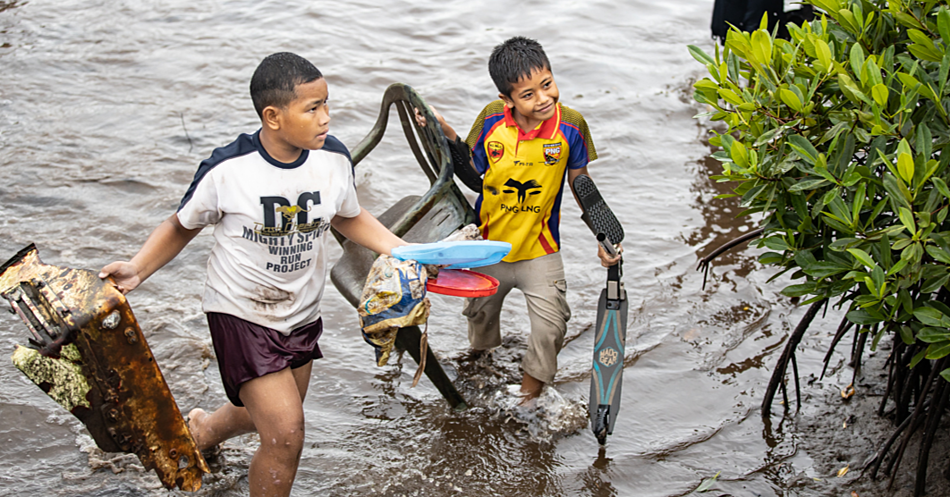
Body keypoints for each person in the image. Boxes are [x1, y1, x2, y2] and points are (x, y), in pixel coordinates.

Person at [99, 52, 407, 497]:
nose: (326, 117)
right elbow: (181, 225)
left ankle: (202, 431)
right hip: (241, 311)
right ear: (273, 116)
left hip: (300, 311)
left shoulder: (334, 158)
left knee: (267, 412)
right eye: (312, 108)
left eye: (326, 104)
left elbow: (347, 215)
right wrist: (137, 269)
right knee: (286, 435)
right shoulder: (229, 170)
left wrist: (403, 250)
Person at [430, 36, 621, 402]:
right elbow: (472, 173)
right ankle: (480, 371)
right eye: (529, 94)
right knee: (480, 320)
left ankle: (528, 400)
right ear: (507, 99)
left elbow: (581, 182)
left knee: (551, 328)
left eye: (547, 85)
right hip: (489, 250)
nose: (544, 98)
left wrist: (605, 235)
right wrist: (448, 135)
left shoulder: (572, 125)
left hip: (540, 249)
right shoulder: (491, 119)